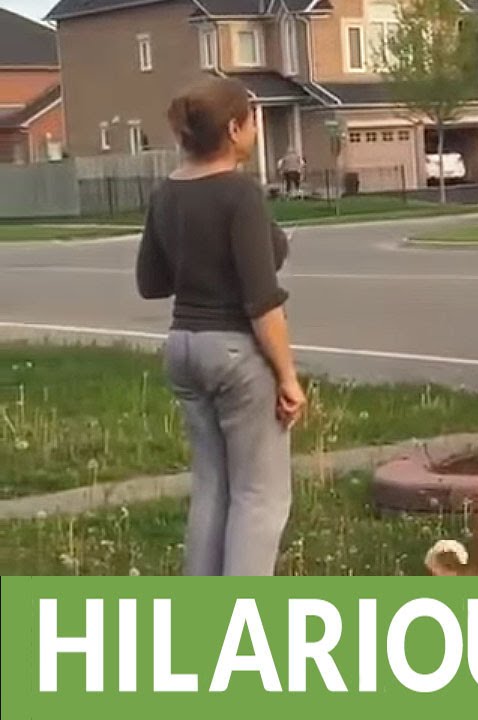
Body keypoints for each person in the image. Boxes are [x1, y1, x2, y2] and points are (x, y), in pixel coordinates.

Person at [135, 76, 305, 575]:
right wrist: (288, 376)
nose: (255, 129)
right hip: (235, 354)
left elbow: (151, 282)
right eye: (252, 120)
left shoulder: (166, 193)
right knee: (259, 497)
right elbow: (262, 301)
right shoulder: (239, 193)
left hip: (184, 348)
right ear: (234, 128)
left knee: (213, 488)